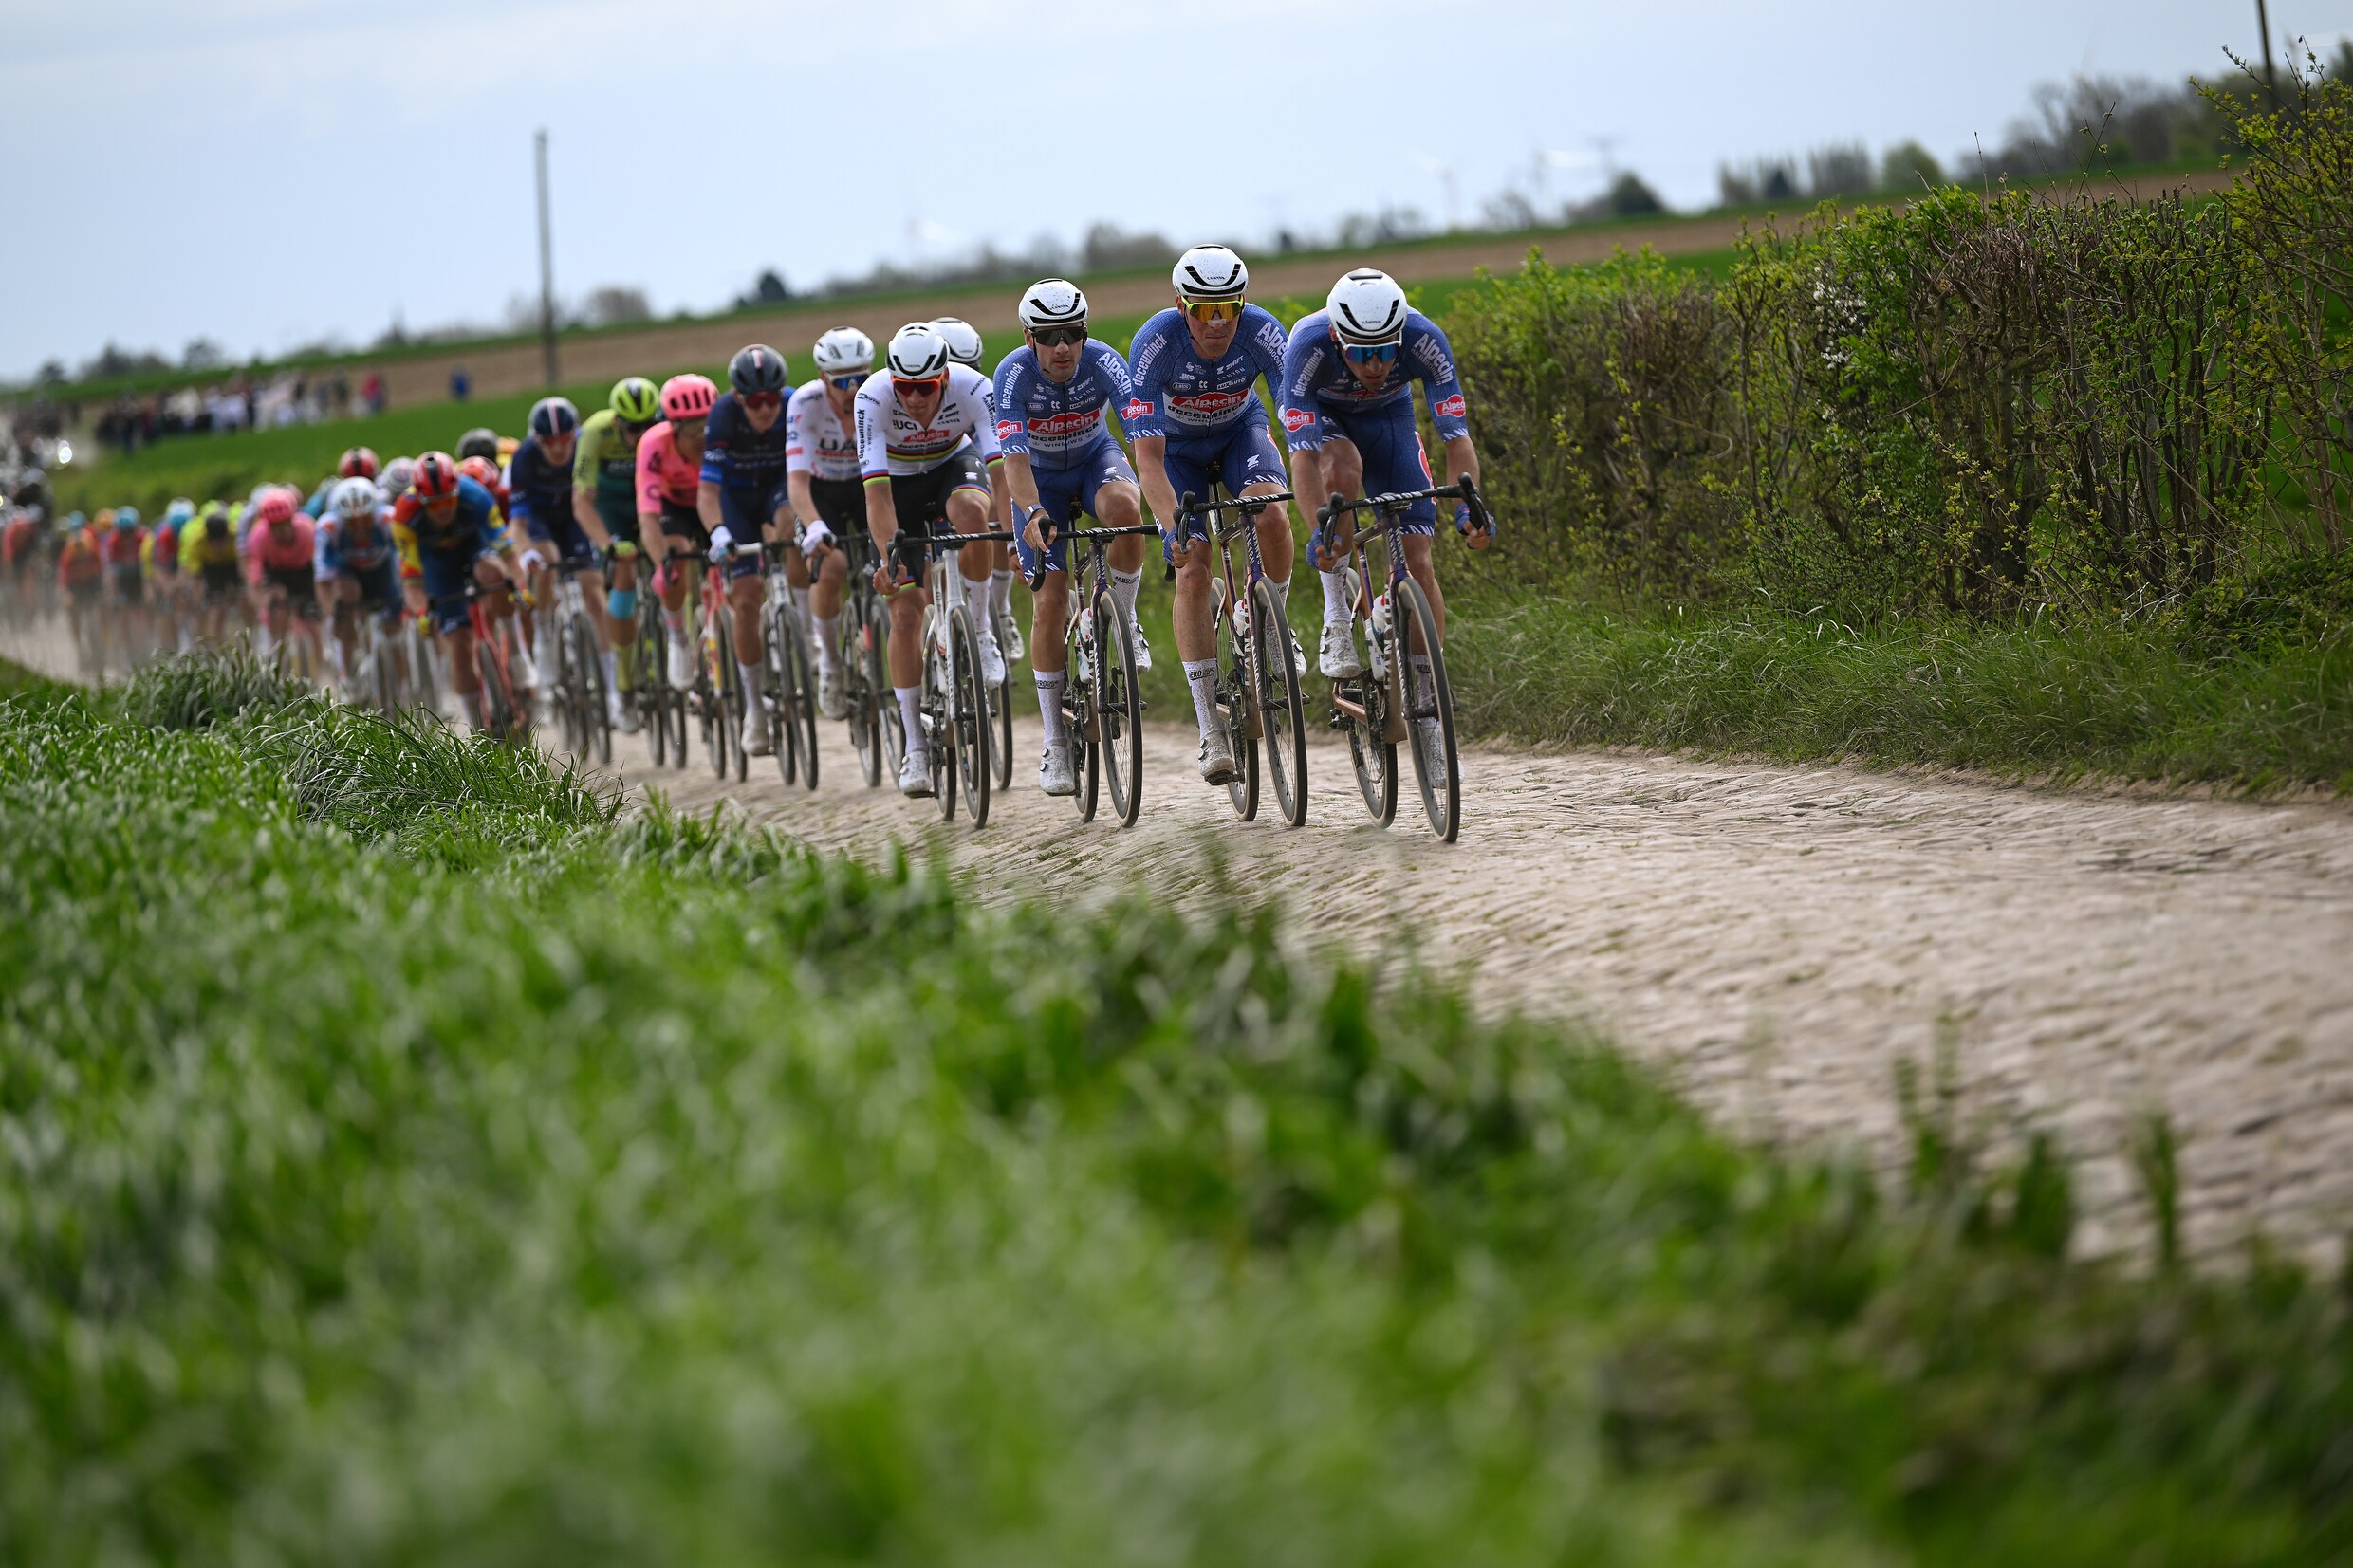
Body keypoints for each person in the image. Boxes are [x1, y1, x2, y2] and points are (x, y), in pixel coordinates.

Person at [1279, 268, 1493, 772]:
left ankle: (1429, 715)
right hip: (1328, 425)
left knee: (1419, 561)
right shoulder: (1308, 347)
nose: (1375, 364)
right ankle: (1336, 612)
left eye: (1385, 351)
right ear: (1338, 338)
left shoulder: (1425, 339)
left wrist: (1470, 507)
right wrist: (1320, 533)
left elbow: (1455, 438)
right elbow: (1305, 461)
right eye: (1360, 353)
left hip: (1389, 421)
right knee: (1343, 470)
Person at [1129, 244, 1301, 783]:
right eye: (1205, 309)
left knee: (1271, 514)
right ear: (1183, 307)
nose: (1219, 321)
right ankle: (1209, 728)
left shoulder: (1262, 331)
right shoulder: (1155, 343)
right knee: (1194, 567)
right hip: (1175, 454)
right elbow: (1148, 462)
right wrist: (1169, 524)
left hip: (1239, 435)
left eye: (1230, 306)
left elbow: (1297, 421)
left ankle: (1271, 624)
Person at [994, 278, 1150, 796]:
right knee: (1051, 604)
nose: (1063, 346)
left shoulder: (1104, 362)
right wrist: (1034, 511)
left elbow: (1142, 440)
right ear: (1029, 338)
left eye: (1073, 333)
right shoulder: (1012, 376)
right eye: (1050, 336)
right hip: (1039, 484)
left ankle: (1124, 620)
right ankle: (1055, 741)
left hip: (1092, 461)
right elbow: (1014, 467)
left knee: (1128, 508)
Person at [855, 322, 1010, 797]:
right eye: (906, 388)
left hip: (950, 465)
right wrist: (889, 558)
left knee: (973, 514)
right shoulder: (872, 399)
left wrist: (1017, 539)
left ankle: (980, 632)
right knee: (903, 612)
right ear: (891, 380)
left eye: (925, 388)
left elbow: (1002, 477)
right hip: (896, 485)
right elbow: (878, 499)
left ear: (945, 377)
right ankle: (916, 747)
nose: (916, 399)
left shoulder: (975, 387)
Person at [698, 344, 802, 755]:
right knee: (744, 598)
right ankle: (754, 705)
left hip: (779, 488)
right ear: (739, 398)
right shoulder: (723, 415)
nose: (764, 409)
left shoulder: (795, 405)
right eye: (755, 401)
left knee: (790, 526)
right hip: (735, 500)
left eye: (771, 398)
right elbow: (707, 491)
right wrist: (718, 532)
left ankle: (801, 618)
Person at [509, 396, 635, 729]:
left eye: (564, 439)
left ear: (574, 434)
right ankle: (545, 631)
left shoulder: (585, 446)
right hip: (540, 521)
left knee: (595, 594)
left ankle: (612, 690)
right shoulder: (523, 458)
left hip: (575, 518)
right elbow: (517, 524)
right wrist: (526, 552)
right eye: (549, 442)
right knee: (547, 560)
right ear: (537, 440)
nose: (559, 448)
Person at [391, 451, 521, 730]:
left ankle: (517, 650)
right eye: (434, 505)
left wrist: (519, 586)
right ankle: (477, 728)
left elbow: (508, 552)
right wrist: (423, 612)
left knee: (493, 573)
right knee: (459, 646)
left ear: (457, 491)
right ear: (421, 501)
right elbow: (412, 582)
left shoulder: (476, 496)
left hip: (474, 546)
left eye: (449, 501)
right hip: (437, 564)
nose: (443, 510)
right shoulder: (404, 516)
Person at [786, 328, 874, 721]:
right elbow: (797, 482)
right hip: (821, 491)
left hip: (867, 485)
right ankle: (832, 665)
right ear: (824, 378)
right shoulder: (804, 404)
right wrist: (814, 525)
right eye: (842, 381)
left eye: (861, 378)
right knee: (832, 566)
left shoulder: (877, 397)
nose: (853, 389)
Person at [932, 315, 1023, 661]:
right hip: (932, 475)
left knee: (996, 511)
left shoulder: (978, 391)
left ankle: (999, 609)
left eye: (970, 366)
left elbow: (1000, 463)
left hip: (969, 475)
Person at [571, 377, 663, 703]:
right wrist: (607, 544)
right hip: (612, 508)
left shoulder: (665, 427)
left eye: (647, 426)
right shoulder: (596, 432)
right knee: (623, 572)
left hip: (650, 501)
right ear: (616, 421)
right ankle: (624, 674)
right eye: (632, 428)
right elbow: (581, 501)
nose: (640, 435)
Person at [637, 374, 722, 694]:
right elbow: (647, 514)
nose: (700, 433)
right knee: (675, 557)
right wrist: (662, 564)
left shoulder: (722, 434)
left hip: (714, 502)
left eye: (706, 422)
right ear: (673, 425)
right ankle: (677, 636)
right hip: (676, 508)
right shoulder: (654, 444)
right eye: (689, 426)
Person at [314, 475, 402, 690]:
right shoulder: (327, 527)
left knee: (394, 630)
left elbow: (405, 561)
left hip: (382, 573)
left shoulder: (388, 519)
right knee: (346, 603)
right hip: (348, 573)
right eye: (353, 523)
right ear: (342, 519)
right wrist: (333, 614)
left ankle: (402, 687)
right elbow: (323, 580)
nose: (361, 527)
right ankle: (347, 676)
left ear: (375, 512)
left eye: (366, 520)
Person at [245, 489, 321, 666]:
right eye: (275, 526)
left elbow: (321, 566)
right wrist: (262, 603)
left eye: (286, 523)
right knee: (277, 609)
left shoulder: (307, 529)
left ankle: (321, 668)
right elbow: (255, 574)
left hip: (304, 573)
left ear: (293, 518)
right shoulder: (259, 536)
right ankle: (279, 659)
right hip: (277, 575)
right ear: (267, 525)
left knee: (313, 622)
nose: (282, 530)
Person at [178, 501, 245, 644]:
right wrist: (197, 601)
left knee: (243, 598)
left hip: (233, 563)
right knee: (216, 608)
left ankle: (253, 636)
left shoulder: (236, 534)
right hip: (211, 567)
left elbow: (245, 567)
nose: (219, 546)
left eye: (222, 541)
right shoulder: (196, 542)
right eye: (214, 542)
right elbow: (196, 576)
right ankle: (216, 647)